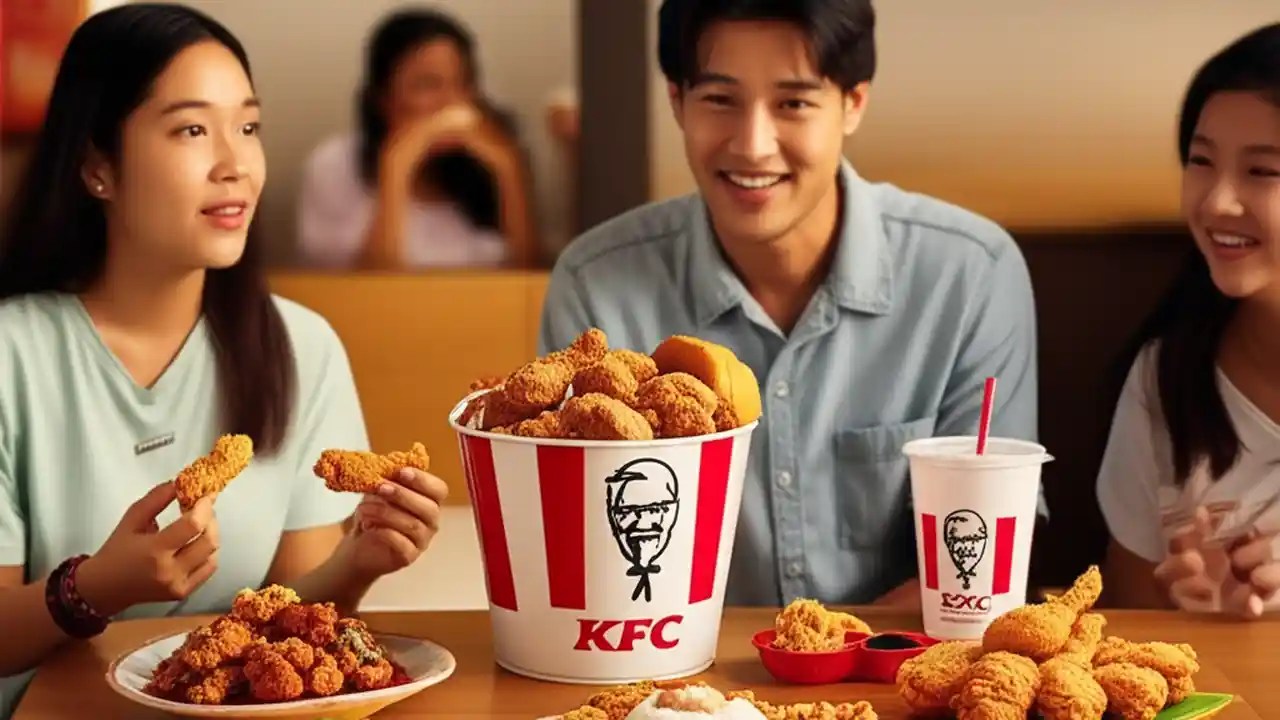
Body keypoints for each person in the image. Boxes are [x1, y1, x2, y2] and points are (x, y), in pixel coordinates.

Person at [0, 5, 447, 715]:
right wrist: (95, 588)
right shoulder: (12, 354)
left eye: (247, 127)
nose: (236, 165)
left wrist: (357, 562)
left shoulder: (301, 347)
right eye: (191, 129)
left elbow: (286, 622)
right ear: (96, 165)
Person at [539, 0, 1041, 607]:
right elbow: (583, 552)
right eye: (720, 100)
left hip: (894, 673)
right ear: (676, 100)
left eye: (794, 103)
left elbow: (983, 560)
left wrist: (824, 660)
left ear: (853, 103)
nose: (753, 146)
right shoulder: (596, 283)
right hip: (676, 681)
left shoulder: (970, 273)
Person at [1097, 23, 1280, 618]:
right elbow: (1125, 609)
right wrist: (1191, 608)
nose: (1216, 201)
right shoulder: (1167, 376)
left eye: (1263, 171)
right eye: (1201, 161)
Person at [297, 8, 538, 270]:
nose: (451, 102)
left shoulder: (485, 167)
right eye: (428, 84)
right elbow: (364, 293)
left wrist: (509, 171)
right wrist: (397, 166)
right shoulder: (334, 164)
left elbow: (528, 285)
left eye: (463, 83)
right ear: (383, 98)